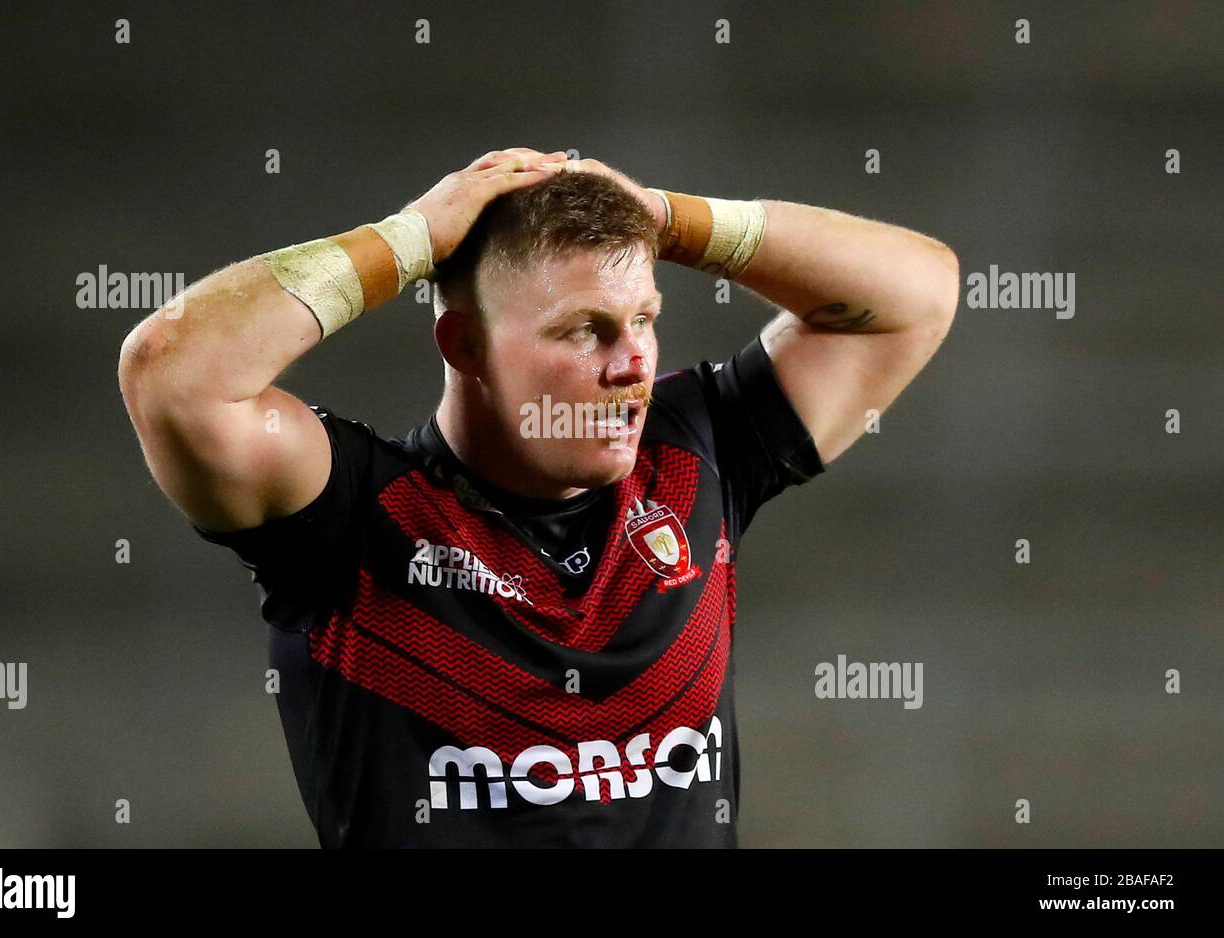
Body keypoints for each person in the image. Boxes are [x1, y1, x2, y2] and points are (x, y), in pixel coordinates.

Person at [118, 147, 959, 847]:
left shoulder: (692, 457)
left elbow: (916, 295)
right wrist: (409, 241)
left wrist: (675, 220)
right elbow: (173, 372)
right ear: (465, 343)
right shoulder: (353, 521)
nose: (633, 361)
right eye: (585, 329)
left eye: (644, 319)